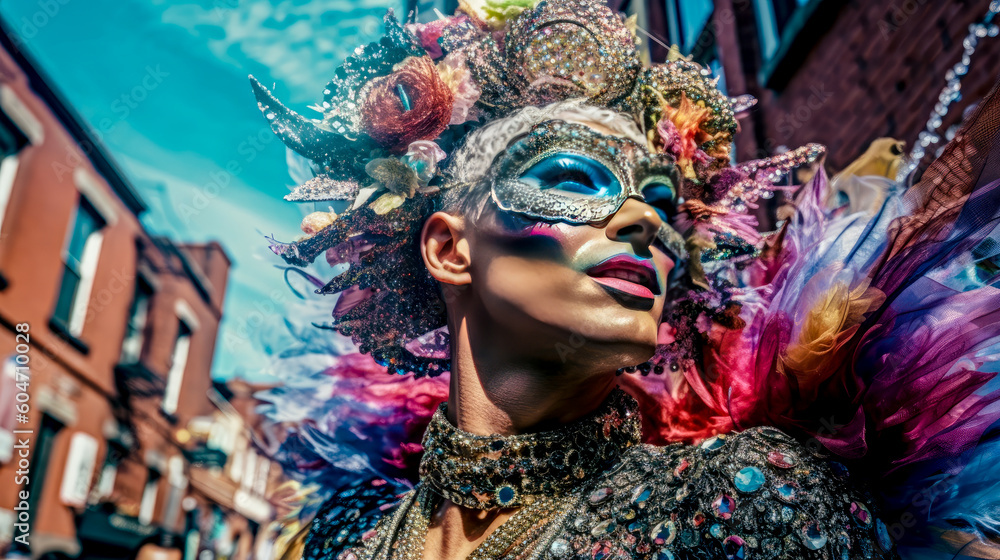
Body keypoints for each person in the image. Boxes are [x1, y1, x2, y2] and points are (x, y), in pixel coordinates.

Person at [247, 1, 1000, 558]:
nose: (646, 221)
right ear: (449, 249)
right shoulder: (345, 541)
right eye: (574, 179)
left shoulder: (743, 505)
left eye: (665, 203)